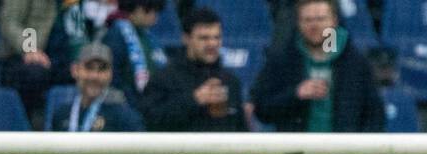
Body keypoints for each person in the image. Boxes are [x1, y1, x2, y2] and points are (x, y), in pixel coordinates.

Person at [251, 0, 384, 134]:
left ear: (334, 21)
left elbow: (374, 111)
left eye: (321, 19)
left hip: (341, 152)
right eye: (308, 20)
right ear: (298, 22)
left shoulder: (355, 62)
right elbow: (262, 109)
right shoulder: (283, 60)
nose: (314, 25)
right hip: (295, 152)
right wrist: (296, 95)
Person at [140, 5, 246, 134]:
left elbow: (242, 130)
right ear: (186, 38)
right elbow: (150, 122)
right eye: (204, 38)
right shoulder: (163, 79)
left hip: (223, 153)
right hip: (178, 153)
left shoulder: (230, 81)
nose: (212, 44)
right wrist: (194, 100)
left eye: (217, 37)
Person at [103, 0, 167, 117]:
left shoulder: (148, 36)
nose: (154, 15)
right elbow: (114, 76)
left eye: (156, 11)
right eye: (148, 10)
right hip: (130, 105)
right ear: (132, 10)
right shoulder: (115, 35)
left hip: (152, 102)